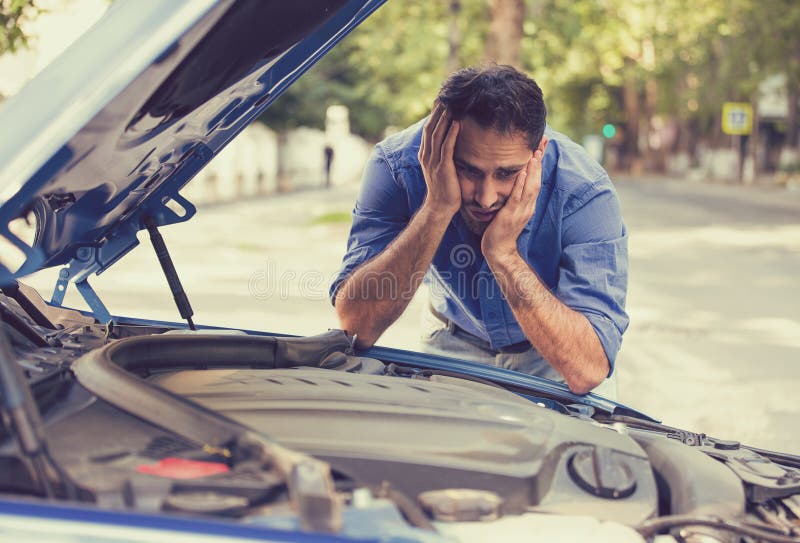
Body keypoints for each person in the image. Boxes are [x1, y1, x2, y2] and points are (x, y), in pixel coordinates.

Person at [329, 65, 628, 396]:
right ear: (438, 142)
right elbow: (355, 327)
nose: (485, 198)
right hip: (449, 341)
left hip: (552, 355)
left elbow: (587, 369)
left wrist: (503, 255)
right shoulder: (397, 167)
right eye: (467, 170)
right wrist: (436, 209)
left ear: (537, 152)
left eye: (506, 173)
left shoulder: (584, 190)